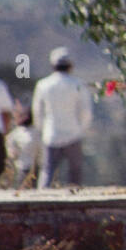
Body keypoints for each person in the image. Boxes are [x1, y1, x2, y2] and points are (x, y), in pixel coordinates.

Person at [32, 47, 93, 188]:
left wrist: (41, 130)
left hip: (51, 134)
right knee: (75, 172)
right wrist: (81, 129)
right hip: (73, 133)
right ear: (70, 65)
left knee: (48, 171)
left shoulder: (43, 85)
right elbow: (85, 111)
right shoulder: (78, 84)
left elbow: (38, 111)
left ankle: (42, 199)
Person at [5, 105, 41, 188]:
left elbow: (12, 153)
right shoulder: (37, 132)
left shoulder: (16, 134)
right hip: (31, 167)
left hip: (23, 167)